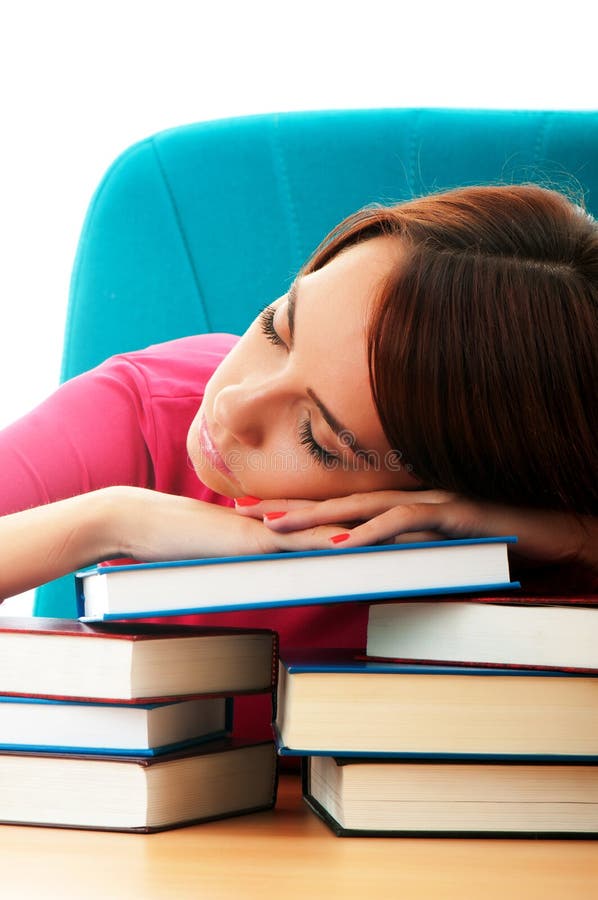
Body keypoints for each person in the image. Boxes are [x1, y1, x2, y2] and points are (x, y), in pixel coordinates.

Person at [0, 183, 596, 647]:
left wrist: (574, 543)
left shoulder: (518, 545)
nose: (233, 405)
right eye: (275, 329)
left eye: (315, 439)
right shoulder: (148, 411)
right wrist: (108, 519)